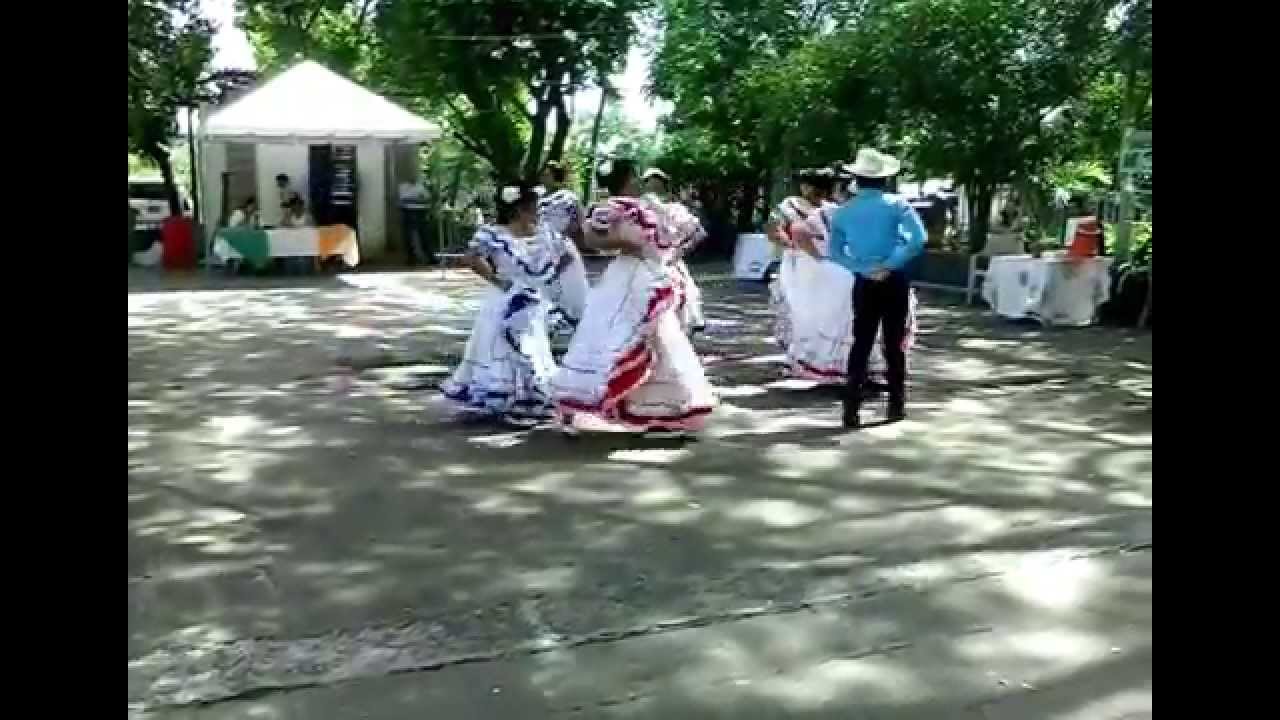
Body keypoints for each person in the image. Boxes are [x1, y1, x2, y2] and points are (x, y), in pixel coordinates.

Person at [551, 157, 716, 435]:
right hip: (627, 276)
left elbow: (690, 232)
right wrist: (629, 242)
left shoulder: (650, 206)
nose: (638, 180)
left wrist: (667, 252)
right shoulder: (610, 208)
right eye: (634, 176)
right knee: (618, 334)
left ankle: (659, 408)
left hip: (649, 274)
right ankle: (589, 401)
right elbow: (593, 240)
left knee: (657, 337)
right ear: (627, 179)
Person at [440, 183, 565, 424]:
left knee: (531, 344)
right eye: (533, 207)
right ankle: (503, 395)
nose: (537, 211)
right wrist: (498, 280)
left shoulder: (543, 234)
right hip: (504, 298)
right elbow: (472, 258)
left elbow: (560, 257)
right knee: (501, 344)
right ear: (520, 209)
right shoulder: (495, 233)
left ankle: (528, 395)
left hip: (533, 299)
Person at [829, 148, 927, 429]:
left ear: (857, 179)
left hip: (864, 280)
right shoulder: (898, 205)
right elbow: (918, 239)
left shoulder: (844, 212)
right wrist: (891, 263)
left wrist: (862, 268)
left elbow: (835, 252)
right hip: (893, 278)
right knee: (894, 343)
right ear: (885, 179)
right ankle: (896, 405)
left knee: (861, 343)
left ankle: (851, 410)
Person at [766, 168, 830, 355]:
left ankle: (819, 350)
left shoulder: (829, 208)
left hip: (826, 263)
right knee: (798, 306)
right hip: (799, 262)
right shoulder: (789, 206)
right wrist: (792, 245)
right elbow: (773, 230)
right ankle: (798, 349)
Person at [642, 167, 705, 334]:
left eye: (657, 182)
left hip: (668, 263)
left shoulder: (674, 209)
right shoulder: (638, 208)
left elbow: (698, 233)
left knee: (678, 301)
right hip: (642, 263)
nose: (653, 185)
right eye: (648, 182)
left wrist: (680, 250)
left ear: (663, 185)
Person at [537, 160, 589, 330]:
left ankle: (567, 325)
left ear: (555, 175)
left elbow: (581, 221)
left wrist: (568, 233)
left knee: (567, 285)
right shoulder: (537, 195)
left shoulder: (569, 197)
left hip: (562, 244)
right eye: (543, 174)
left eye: (547, 173)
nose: (544, 177)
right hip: (539, 246)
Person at [398, 175, 433, 266]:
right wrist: (418, 199)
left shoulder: (421, 186)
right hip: (408, 212)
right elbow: (404, 199)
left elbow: (427, 198)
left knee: (424, 235)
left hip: (421, 212)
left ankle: (429, 257)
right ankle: (411, 258)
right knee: (408, 236)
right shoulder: (403, 187)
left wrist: (415, 200)